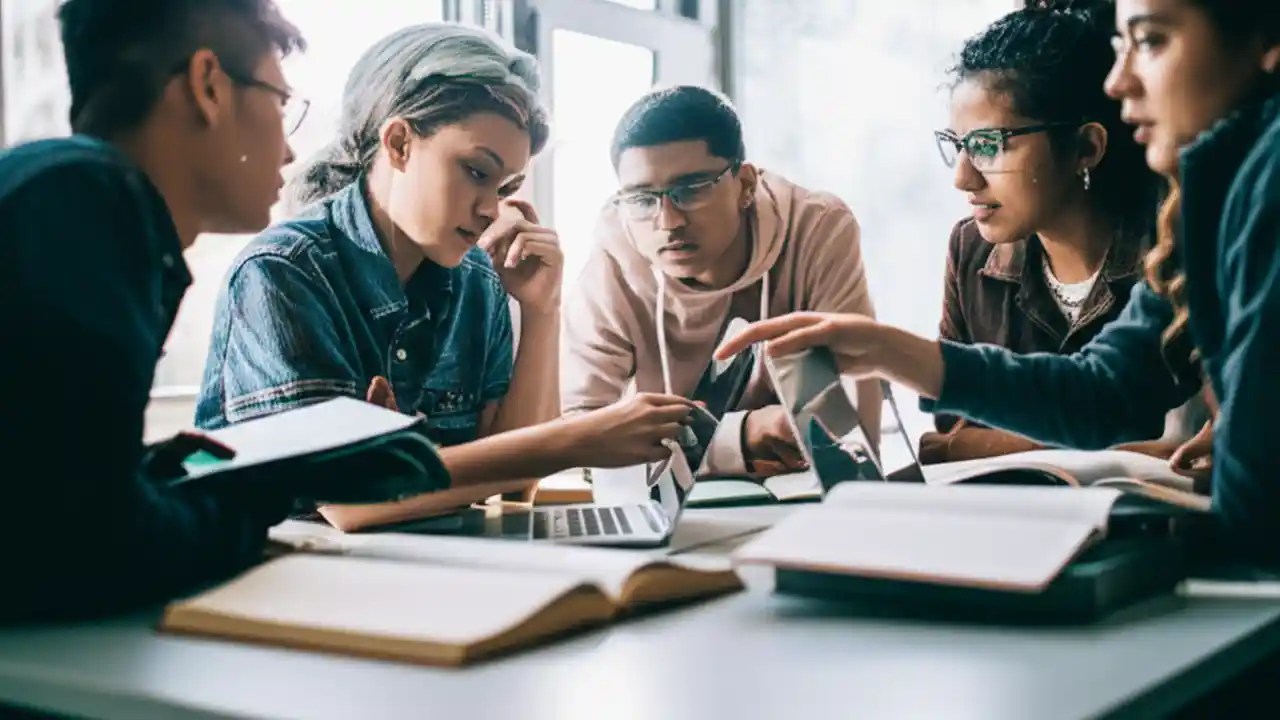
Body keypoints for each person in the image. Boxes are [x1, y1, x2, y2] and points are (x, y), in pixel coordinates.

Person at [717, 0, 1280, 562]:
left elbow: (1251, 513)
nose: (1119, 81)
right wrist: (885, 347)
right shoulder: (1204, 203)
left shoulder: (1243, 192)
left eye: (1152, 40)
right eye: (1120, 47)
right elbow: (1106, 389)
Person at [195, 24, 692, 532]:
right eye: (477, 171)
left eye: (507, 186)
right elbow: (347, 500)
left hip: (418, 565)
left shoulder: (479, 279)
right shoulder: (283, 271)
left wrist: (542, 311)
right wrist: (578, 438)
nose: (490, 209)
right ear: (399, 143)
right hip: (279, 582)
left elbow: (516, 482)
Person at [1, 0, 308, 619]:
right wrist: (254, 499)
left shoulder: (62, 191)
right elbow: (87, 549)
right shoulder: (83, 206)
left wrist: (145, 473)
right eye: (281, 101)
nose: (290, 153)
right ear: (208, 86)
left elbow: (42, 491)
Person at [562, 86, 882, 480]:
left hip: (799, 494)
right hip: (673, 507)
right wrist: (743, 437)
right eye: (643, 198)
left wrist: (691, 444)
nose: (668, 222)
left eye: (690, 191)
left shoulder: (816, 226)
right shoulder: (616, 251)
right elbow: (580, 439)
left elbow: (854, 428)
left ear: (745, 185)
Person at [921, 0, 1186, 464]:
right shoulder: (971, 250)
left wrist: (1002, 442)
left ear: (1086, 147)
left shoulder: (1172, 243)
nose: (962, 178)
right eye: (958, 145)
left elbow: (1178, 445)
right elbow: (951, 440)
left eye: (988, 145)